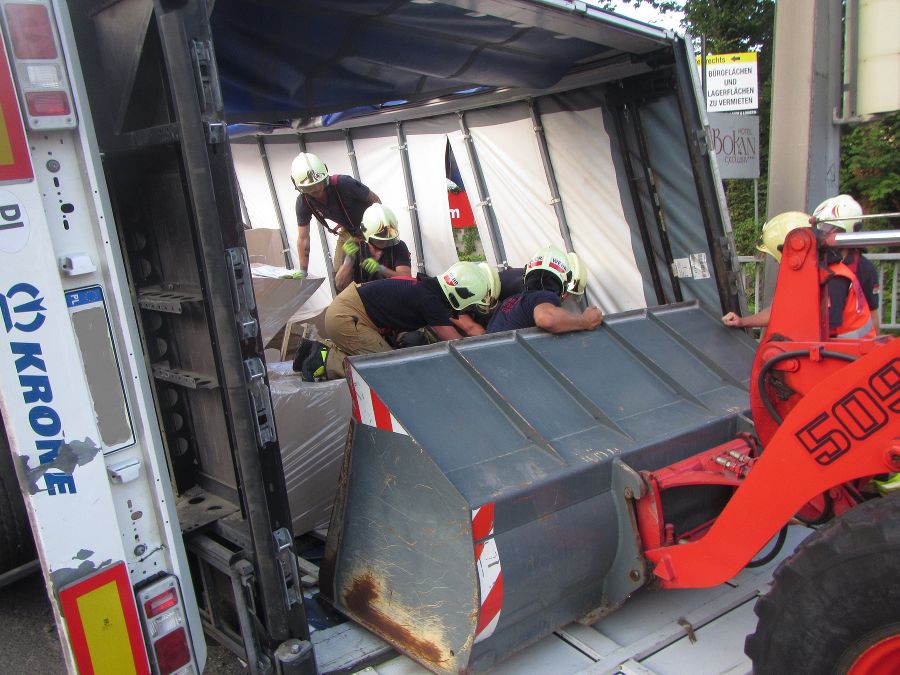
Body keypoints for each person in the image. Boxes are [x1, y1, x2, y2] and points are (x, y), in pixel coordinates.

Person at [299, 261, 500, 381]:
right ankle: (323, 360)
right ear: (463, 294)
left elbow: (467, 326)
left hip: (346, 311)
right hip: (346, 316)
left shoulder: (430, 290)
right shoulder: (430, 301)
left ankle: (315, 349)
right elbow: (456, 345)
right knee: (387, 366)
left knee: (389, 353)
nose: (468, 309)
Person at [721, 211, 875, 338]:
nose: (778, 263)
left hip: (850, 361)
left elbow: (824, 332)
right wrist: (742, 322)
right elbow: (779, 311)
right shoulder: (812, 275)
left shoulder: (833, 280)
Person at [289, 152, 380, 279]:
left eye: (318, 184)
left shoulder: (344, 183)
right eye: (309, 188)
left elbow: (376, 202)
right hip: (348, 232)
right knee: (340, 276)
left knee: (375, 271)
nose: (316, 190)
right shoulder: (303, 202)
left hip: (372, 228)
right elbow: (303, 237)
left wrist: (369, 234)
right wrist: (303, 270)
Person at [486, 244, 602, 334]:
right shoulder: (544, 296)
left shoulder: (510, 302)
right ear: (563, 281)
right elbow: (547, 319)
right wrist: (585, 321)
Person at [812, 194, 880, 330]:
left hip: (849, 344)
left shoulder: (864, 268)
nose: (823, 234)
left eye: (828, 229)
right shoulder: (814, 259)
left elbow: (873, 315)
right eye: (821, 228)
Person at [334, 204, 412, 292]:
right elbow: (340, 285)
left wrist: (382, 269)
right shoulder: (355, 247)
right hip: (363, 301)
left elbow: (407, 280)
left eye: (389, 235)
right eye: (380, 238)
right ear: (367, 234)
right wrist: (349, 261)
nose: (385, 242)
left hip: (392, 296)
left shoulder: (398, 246)